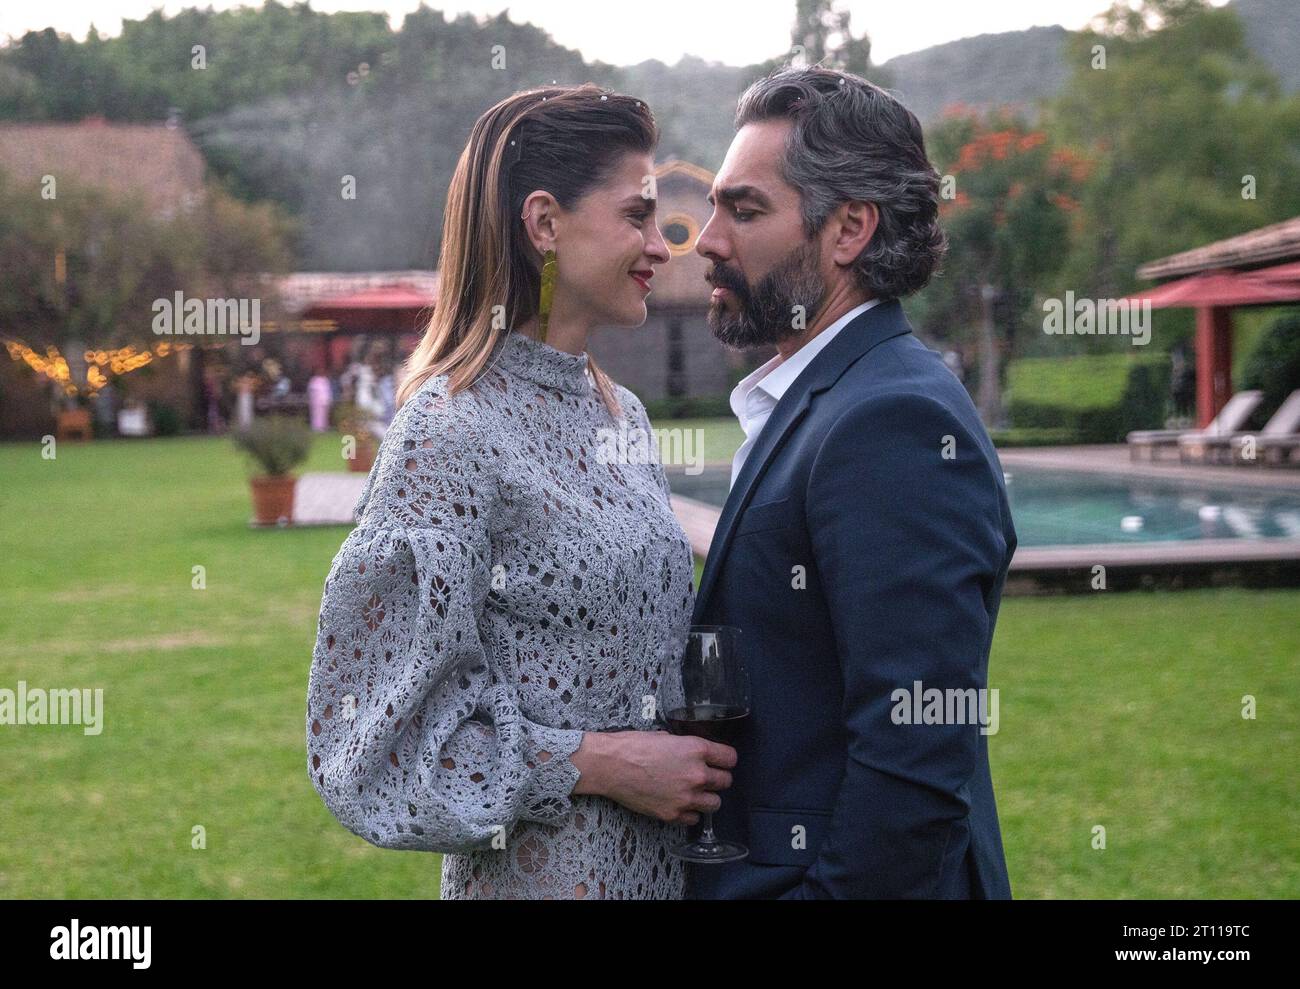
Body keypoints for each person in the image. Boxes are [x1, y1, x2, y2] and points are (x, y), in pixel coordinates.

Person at [305, 84, 735, 900]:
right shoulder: (449, 429)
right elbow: (369, 742)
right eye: (636, 216)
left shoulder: (623, 413)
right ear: (545, 224)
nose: (660, 245)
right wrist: (599, 764)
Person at [688, 66, 1016, 899]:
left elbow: (916, 752)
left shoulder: (893, 420)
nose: (707, 239)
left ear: (848, 231)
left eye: (745, 208)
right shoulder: (819, 396)